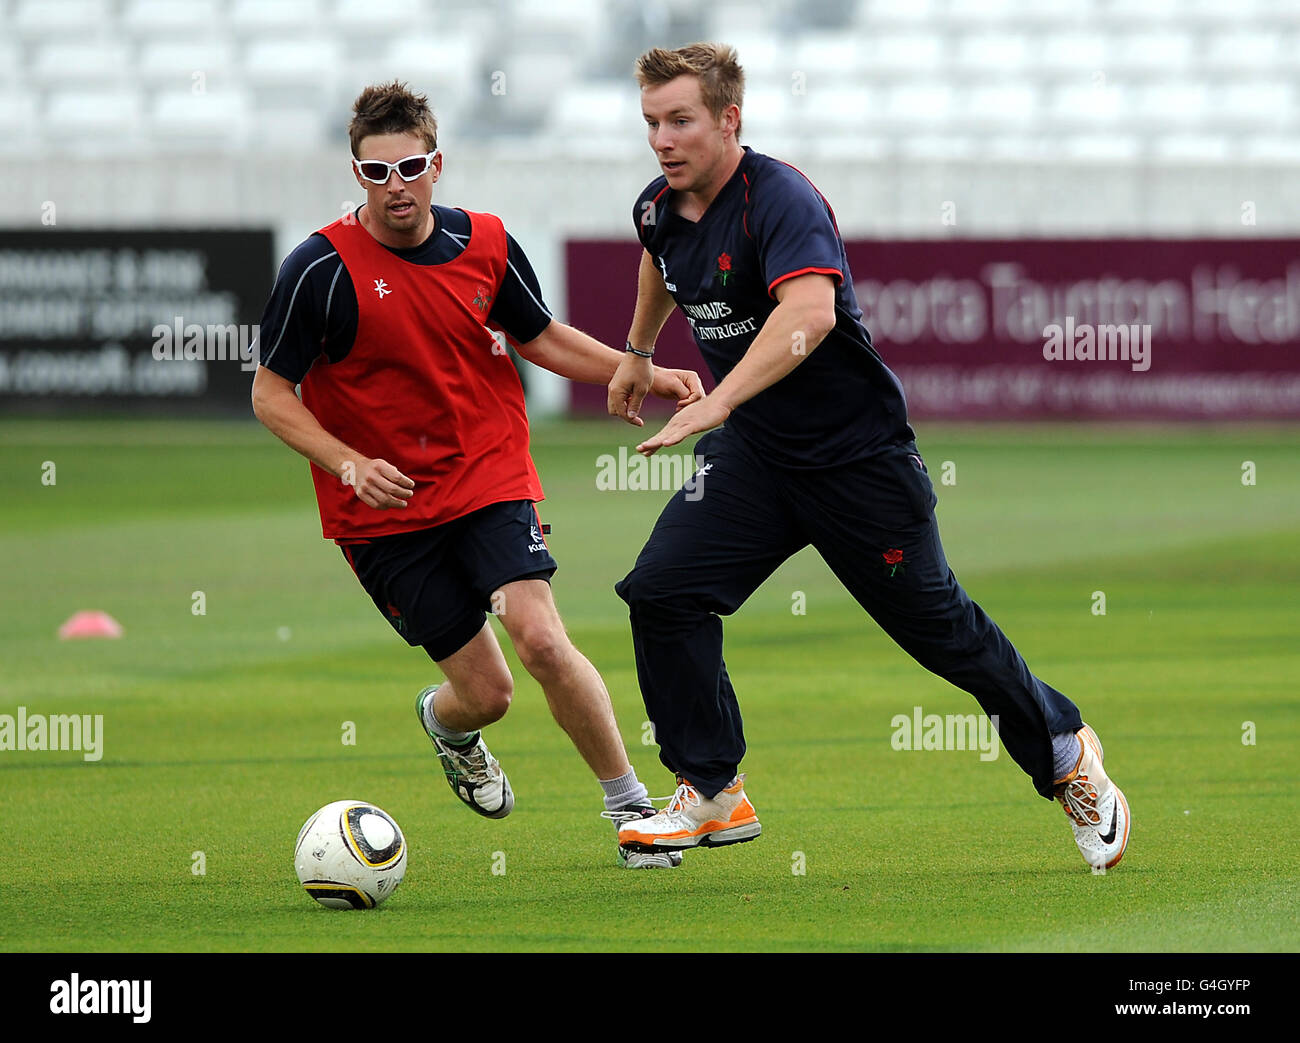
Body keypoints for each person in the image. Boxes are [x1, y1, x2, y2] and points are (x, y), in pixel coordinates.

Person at [607, 44, 1130, 870]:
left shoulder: (780, 199)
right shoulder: (657, 207)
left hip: (858, 461)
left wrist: (718, 399)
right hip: (759, 459)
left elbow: (806, 315)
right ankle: (711, 790)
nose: (662, 140)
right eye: (650, 123)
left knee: (945, 636)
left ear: (728, 119)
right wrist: (637, 348)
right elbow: (660, 261)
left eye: (680, 121)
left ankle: (1065, 751)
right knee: (664, 592)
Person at [252, 80, 704, 869]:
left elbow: (540, 335)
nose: (396, 185)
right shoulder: (317, 270)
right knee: (490, 694)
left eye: (411, 166)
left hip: (487, 475)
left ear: (438, 164)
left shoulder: (487, 242)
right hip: (382, 514)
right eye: (376, 172)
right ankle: (449, 724)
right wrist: (348, 462)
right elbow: (269, 393)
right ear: (355, 174)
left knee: (540, 637)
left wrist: (642, 369)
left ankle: (632, 812)